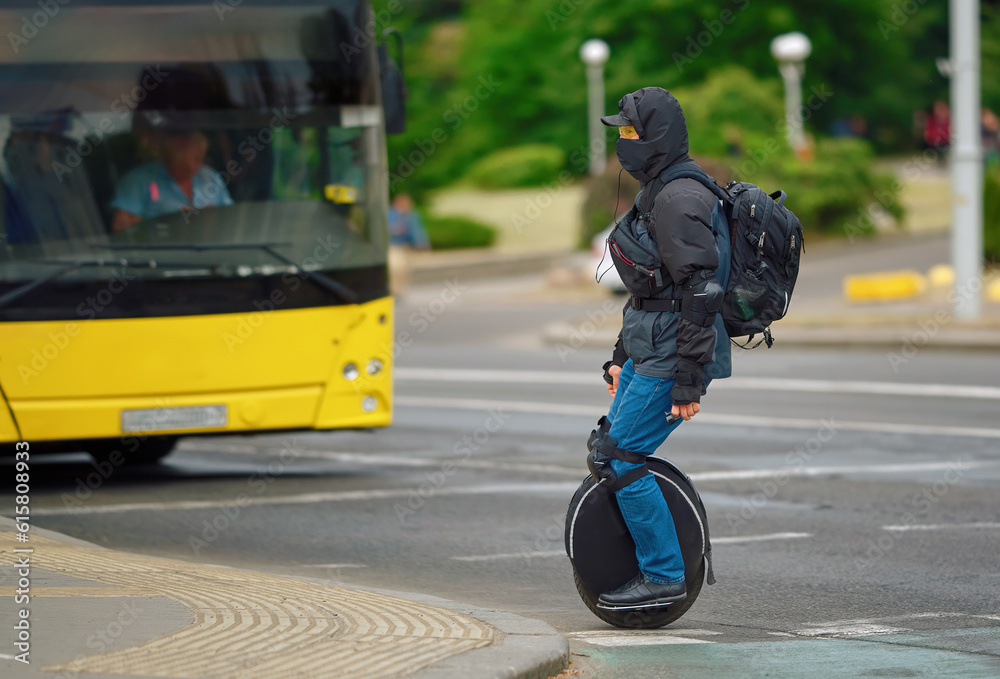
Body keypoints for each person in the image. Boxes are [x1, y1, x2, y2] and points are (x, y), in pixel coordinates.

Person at [588, 87, 731, 610]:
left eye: (630, 132)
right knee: (606, 449)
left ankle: (665, 576)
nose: (623, 143)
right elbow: (650, 293)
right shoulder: (658, 190)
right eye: (620, 132)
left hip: (675, 355)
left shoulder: (680, 198)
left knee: (621, 458)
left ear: (657, 136)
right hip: (653, 348)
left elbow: (701, 292)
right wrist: (620, 358)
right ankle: (651, 564)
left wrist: (689, 378)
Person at [110, 129, 233, 232]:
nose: (200, 164)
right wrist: (170, 223)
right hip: (160, 256)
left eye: (202, 156)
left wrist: (214, 217)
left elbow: (232, 217)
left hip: (212, 253)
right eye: (196, 158)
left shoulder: (209, 176)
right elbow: (120, 226)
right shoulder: (139, 179)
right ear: (177, 151)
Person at [387, 193, 430, 293]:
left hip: (406, 246)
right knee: (395, 268)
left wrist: (423, 243)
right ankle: (393, 289)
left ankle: (400, 289)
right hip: (394, 246)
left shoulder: (412, 215)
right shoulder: (390, 214)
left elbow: (418, 230)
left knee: (405, 270)